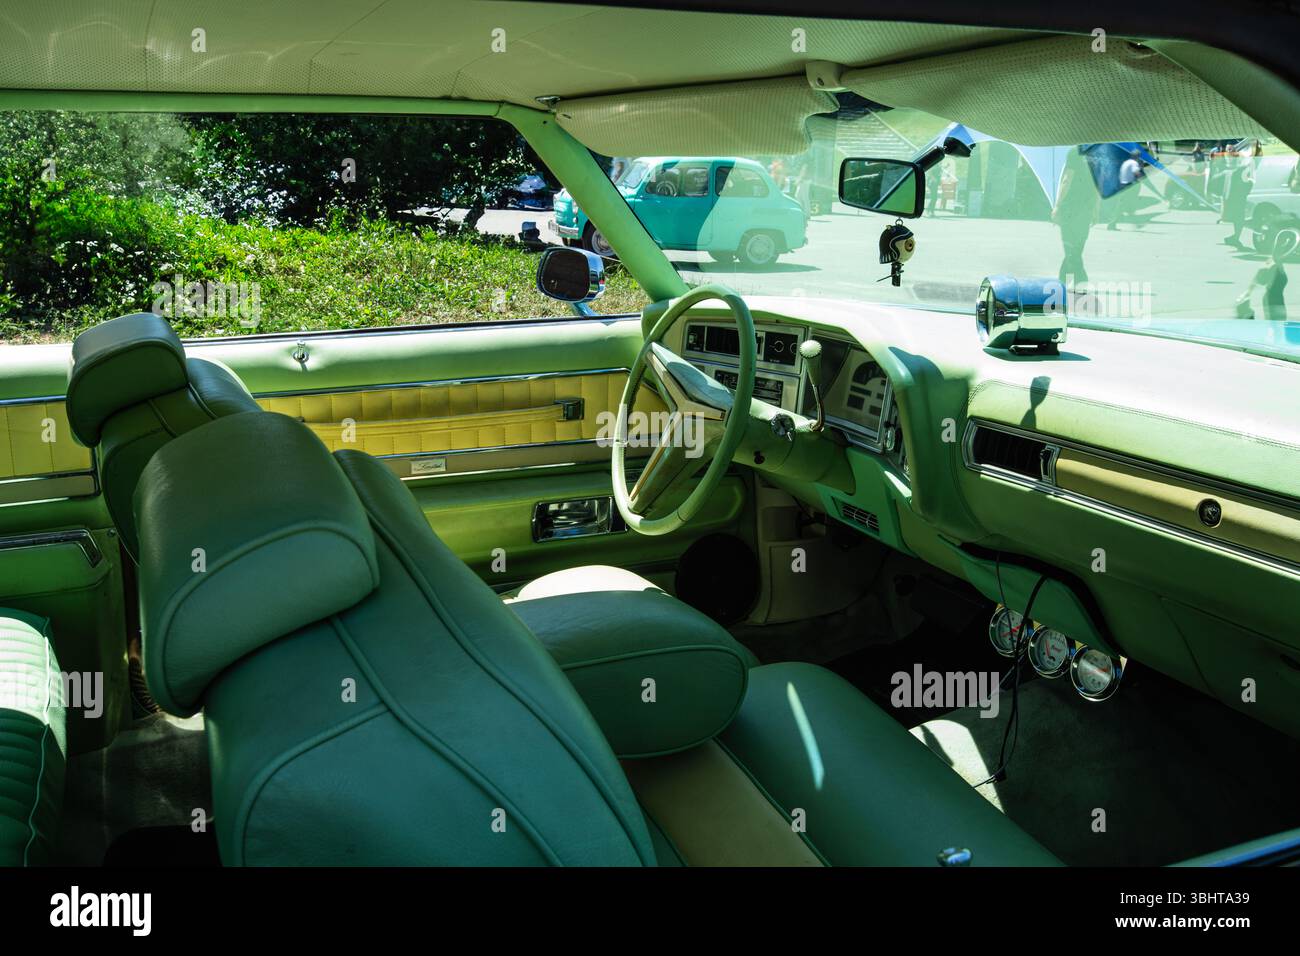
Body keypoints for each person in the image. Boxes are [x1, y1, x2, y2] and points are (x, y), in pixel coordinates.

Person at [1053, 150, 1101, 285]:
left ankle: (1074, 278)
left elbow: (1067, 179)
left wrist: (1057, 205)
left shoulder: (1074, 152)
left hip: (1070, 206)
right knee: (1078, 245)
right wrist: (1096, 209)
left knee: (1069, 245)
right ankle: (1072, 278)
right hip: (1087, 206)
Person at [1222, 147, 1257, 248]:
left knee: (1238, 217)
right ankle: (1235, 237)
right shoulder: (1242, 165)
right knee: (1239, 217)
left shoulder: (1240, 165)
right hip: (1238, 196)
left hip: (1236, 195)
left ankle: (1235, 237)